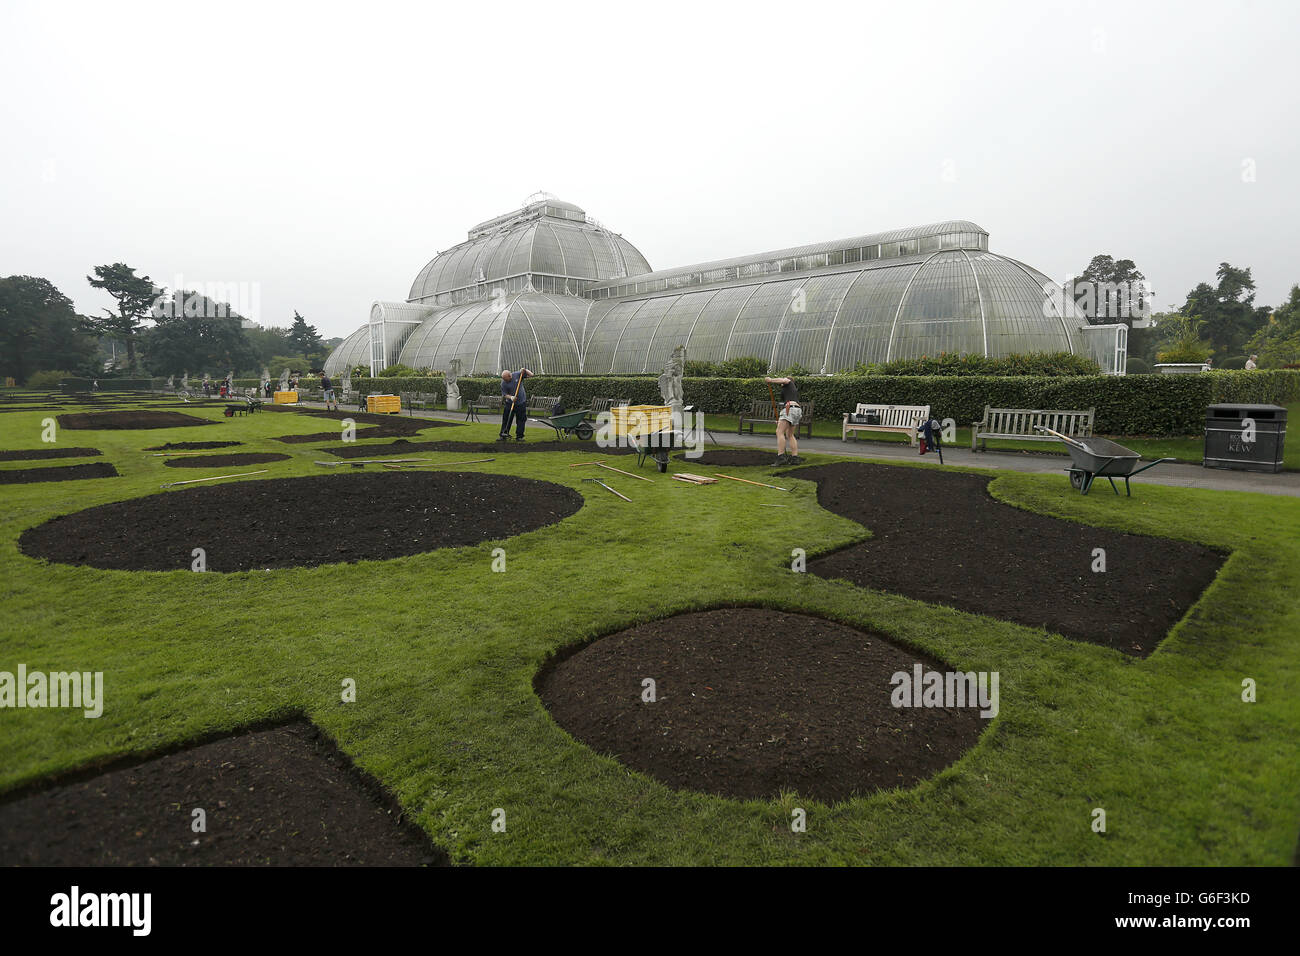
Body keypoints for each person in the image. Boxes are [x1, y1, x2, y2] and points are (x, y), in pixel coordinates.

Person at [764, 375, 804, 465]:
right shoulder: (788, 391)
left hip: (790, 408)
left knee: (779, 432)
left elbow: (784, 380)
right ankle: (795, 458)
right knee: (790, 435)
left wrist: (770, 380)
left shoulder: (789, 383)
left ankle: (781, 457)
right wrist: (781, 421)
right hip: (796, 410)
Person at [499, 367, 533, 441]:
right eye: (503, 379)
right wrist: (511, 397)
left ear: (510, 376)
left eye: (505, 379)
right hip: (509, 404)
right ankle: (503, 434)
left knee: (521, 420)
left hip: (521, 403)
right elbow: (504, 394)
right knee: (506, 419)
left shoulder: (518, 374)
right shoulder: (503, 383)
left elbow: (531, 375)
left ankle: (519, 436)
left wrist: (525, 370)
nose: (504, 380)